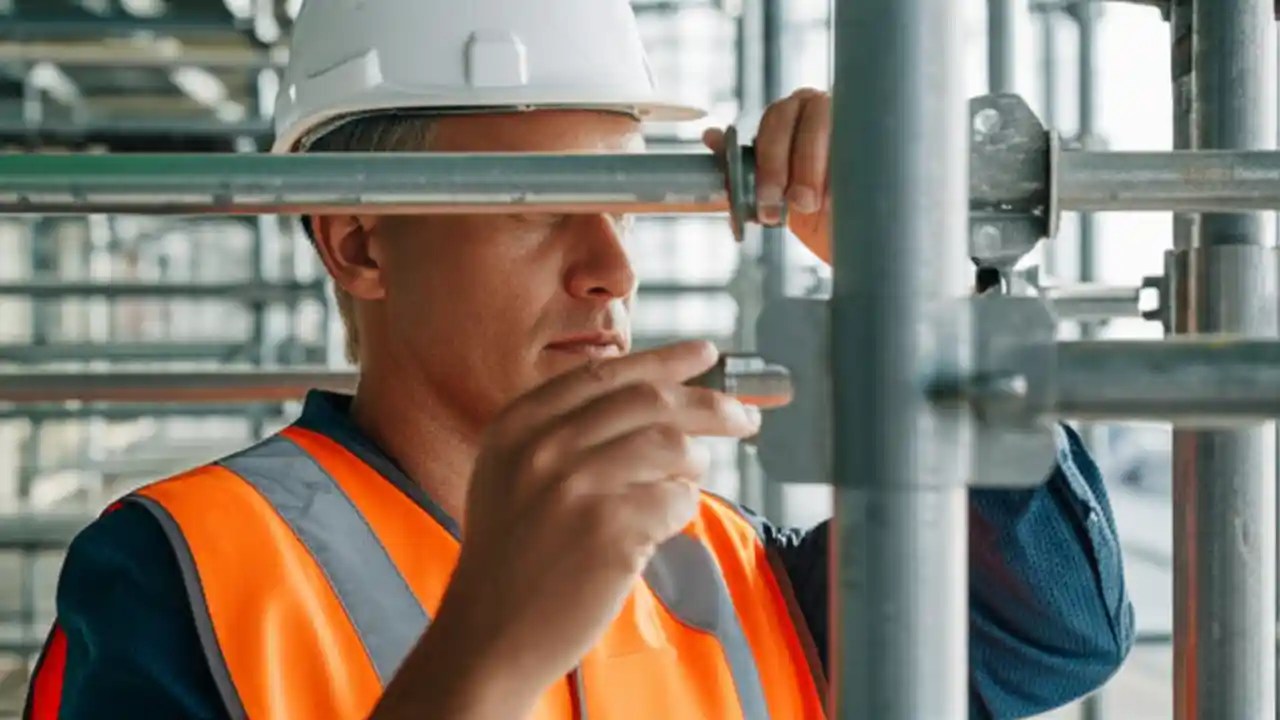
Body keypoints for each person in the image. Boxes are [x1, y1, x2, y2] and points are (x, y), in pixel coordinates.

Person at [23, 1, 1134, 718]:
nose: (611, 267)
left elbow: (1054, 631)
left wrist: (927, 282)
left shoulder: (722, 559)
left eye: (626, 207)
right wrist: (486, 657)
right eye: (537, 207)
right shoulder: (177, 575)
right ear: (359, 241)